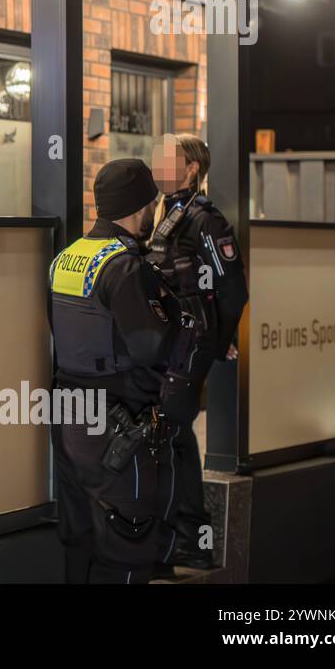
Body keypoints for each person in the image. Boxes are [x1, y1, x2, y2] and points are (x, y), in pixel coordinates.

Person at [49, 158, 199, 584]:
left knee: (79, 538)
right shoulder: (125, 267)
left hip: (68, 416)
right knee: (127, 543)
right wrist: (179, 317)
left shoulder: (67, 257)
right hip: (118, 424)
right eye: (152, 202)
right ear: (140, 206)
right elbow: (151, 346)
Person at [148, 133, 247, 574]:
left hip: (193, 344)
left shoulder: (204, 220)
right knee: (171, 433)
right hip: (169, 343)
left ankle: (193, 538)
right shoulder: (164, 212)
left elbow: (232, 289)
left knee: (176, 432)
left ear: (191, 168)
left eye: (169, 159)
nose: (159, 166)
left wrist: (219, 341)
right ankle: (179, 534)